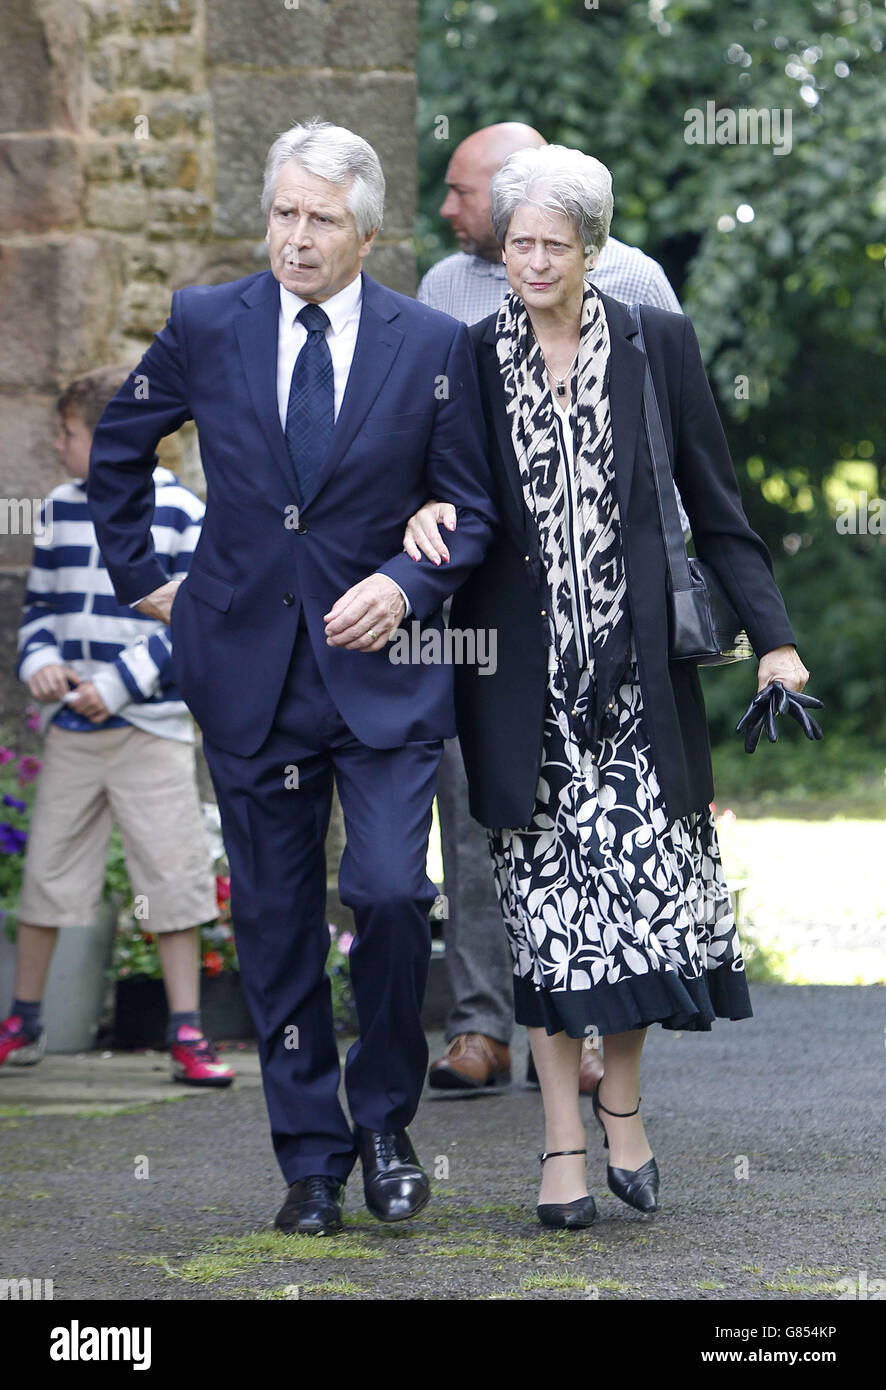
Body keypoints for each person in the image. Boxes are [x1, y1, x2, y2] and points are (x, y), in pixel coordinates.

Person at [86, 121, 497, 1236]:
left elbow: (472, 510)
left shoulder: (429, 346)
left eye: (319, 219)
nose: (295, 238)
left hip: (383, 680)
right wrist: (146, 583)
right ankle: (310, 1159)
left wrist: (408, 589)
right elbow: (120, 446)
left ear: (366, 231)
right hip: (248, 674)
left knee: (388, 893)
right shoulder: (206, 322)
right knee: (272, 927)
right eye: (283, 214)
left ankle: (384, 1121)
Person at [404, 144, 809, 1228]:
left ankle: (620, 1103)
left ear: (594, 248)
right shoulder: (469, 353)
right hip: (518, 690)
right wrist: (415, 519)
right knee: (545, 924)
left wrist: (773, 641)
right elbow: (432, 483)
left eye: (551, 244)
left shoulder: (655, 343)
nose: (530, 262)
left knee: (635, 915)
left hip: (636, 687)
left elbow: (716, 509)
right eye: (515, 244)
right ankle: (562, 1143)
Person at [418, 123, 682, 1097]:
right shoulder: (446, 291)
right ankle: (482, 1024)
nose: (450, 210)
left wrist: (669, 595)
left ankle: (582, 1013)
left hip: (608, 611)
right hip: (486, 610)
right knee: (483, 808)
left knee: (596, 817)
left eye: (460, 192)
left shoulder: (641, 285)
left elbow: (671, 452)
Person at [1, 365, 233, 1088]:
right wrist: (40, 664)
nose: (56, 443)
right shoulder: (61, 511)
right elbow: (39, 608)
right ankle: (24, 1021)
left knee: (172, 877)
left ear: (107, 440)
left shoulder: (181, 511)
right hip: (72, 731)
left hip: (153, 732)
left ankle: (187, 1030)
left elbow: (194, 621)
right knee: (47, 873)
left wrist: (118, 683)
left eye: (66, 432)